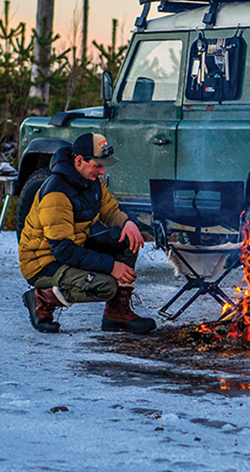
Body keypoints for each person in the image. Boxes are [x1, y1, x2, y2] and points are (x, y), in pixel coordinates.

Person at [18, 132, 156, 335]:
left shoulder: (91, 181)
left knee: (128, 240)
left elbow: (110, 210)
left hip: (74, 247)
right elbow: (63, 251)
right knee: (106, 286)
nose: (102, 171)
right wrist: (111, 266)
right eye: (98, 165)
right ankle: (42, 298)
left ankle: (117, 314)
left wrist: (128, 222)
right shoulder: (56, 193)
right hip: (44, 262)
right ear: (79, 161)